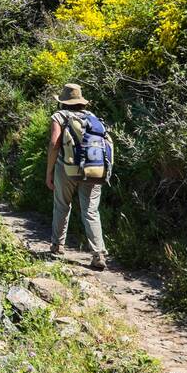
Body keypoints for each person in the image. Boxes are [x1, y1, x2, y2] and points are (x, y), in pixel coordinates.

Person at [45, 82, 112, 270]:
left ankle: (57, 246)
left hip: (66, 168)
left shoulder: (59, 115)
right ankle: (98, 254)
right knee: (91, 211)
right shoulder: (92, 117)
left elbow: (54, 144)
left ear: (63, 101)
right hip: (94, 169)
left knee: (62, 205)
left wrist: (49, 172)